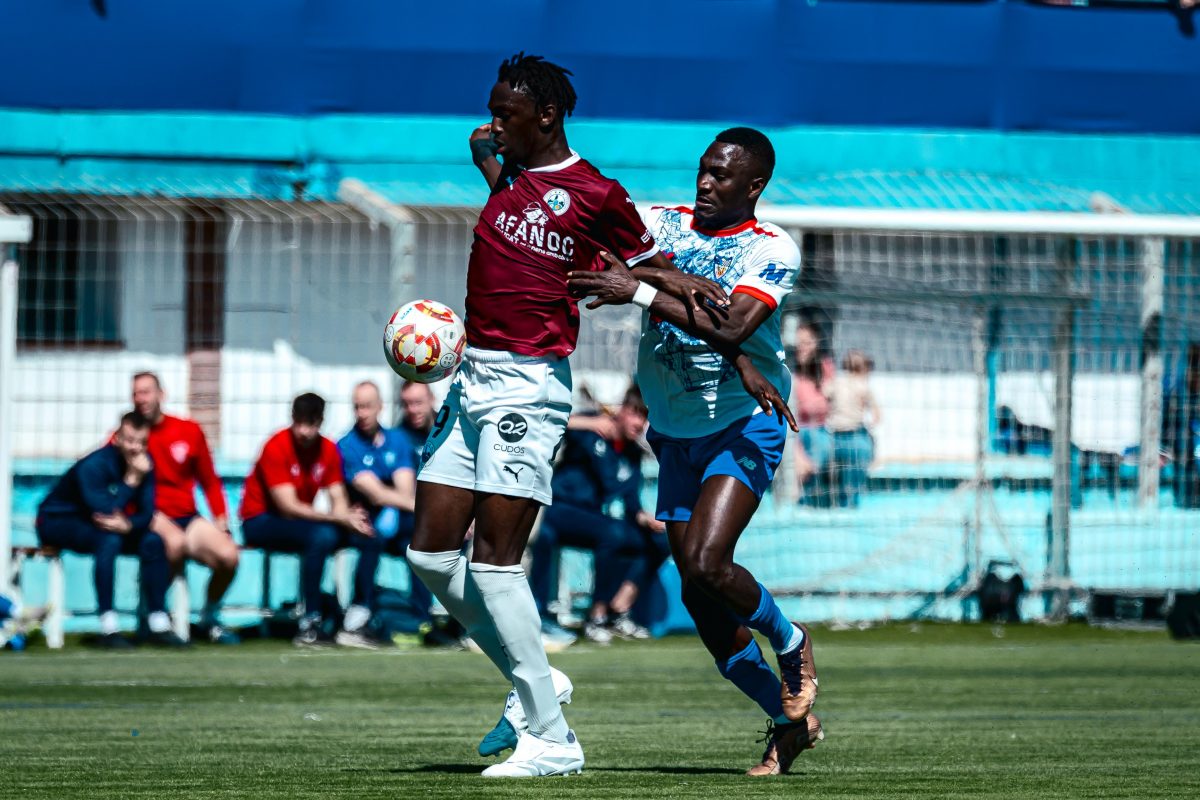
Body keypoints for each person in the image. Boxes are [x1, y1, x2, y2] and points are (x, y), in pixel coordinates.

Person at [406, 52, 727, 778]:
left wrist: (645, 286)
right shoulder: (509, 171)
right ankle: (540, 680)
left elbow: (656, 265)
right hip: (470, 381)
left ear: (547, 116)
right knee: (429, 554)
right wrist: (496, 137)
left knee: (494, 566)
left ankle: (552, 738)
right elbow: (481, 143)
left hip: (528, 388)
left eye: (507, 111)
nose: (493, 122)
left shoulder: (596, 192)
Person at [568, 127, 824, 776]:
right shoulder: (663, 222)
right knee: (700, 598)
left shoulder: (771, 248)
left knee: (710, 562)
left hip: (742, 422)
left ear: (754, 186)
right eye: (703, 171)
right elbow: (597, 248)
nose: (705, 183)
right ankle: (788, 717)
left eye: (721, 175)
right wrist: (661, 272)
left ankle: (792, 644)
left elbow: (735, 322)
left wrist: (645, 286)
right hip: (673, 429)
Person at [529, 385, 668, 646]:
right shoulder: (591, 427)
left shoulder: (631, 455)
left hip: (591, 519)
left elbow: (631, 503)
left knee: (658, 541)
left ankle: (618, 609)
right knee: (608, 533)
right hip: (558, 509)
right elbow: (550, 420)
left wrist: (645, 518)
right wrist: (589, 422)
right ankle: (595, 615)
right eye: (635, 413)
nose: (639, 423)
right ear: (622, 410)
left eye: (644, 417)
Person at [36, 412, 185, 648]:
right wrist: (132, 480)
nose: (136, 448)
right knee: (109, 540)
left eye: (142, 442)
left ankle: (158, 623)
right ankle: (108, 627)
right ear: (116, 439)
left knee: (153, 541)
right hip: (58, 521)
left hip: (104, 524)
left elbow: (146, 513)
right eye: (130, 440)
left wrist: (130, 525)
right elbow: (104, 511)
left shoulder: (146, 464)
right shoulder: (94, 465)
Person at [239, 393, 373, 646]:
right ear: (292, 418)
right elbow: (287, 507)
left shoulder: (328, 449)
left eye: (310, 424)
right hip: (260, 521)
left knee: (369, 536)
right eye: (299, 422)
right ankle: (310, 621)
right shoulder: (276, 446)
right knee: (321, 536)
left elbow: (337, 496)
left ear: (320, 421)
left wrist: (351, 520)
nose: (303, 430)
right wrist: (339, 517)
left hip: (302, 523)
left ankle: (357, 617)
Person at [130, 372, 240, 644]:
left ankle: (209, 616)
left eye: (146, 392)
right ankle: (155, 616)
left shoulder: (188, 431)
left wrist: (221, 519)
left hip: (188, 517)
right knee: (173, 543)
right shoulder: (128, 435)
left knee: (229, 556)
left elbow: (210, 481)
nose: (141, 398)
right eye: (136, 393)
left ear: (161, 395)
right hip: (151, 515)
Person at [336, 380, 432, 647]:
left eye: (367, 406)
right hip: (360, 525)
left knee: (419, 544)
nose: (362, 413)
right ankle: (360, 609)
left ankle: (423, 618)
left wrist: (414, 509)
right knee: (371, 537)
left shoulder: (397, 440)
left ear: (380, 407)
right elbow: (374, 493)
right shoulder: (347, 445)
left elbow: (406, 488)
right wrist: (425, 511)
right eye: (357, 407)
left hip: (396, 521)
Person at [825, 349, 880, 508]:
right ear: (864, 369)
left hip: (835, 435)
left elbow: (825, 394)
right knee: (854, 476)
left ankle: (838, 503)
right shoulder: (864, 386)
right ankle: (851, 504)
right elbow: (877, 415)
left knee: (837, 475)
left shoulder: (836, 381)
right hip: (855, 433)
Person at [792, 323, 835, 506]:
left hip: (819, 430)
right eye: (799, 343)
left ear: (817, 344)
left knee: (822, 445)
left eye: (807, 343)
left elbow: (829, 402)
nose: (803, 347)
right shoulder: (790, 372)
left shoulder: (825, 368)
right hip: (794, 432)